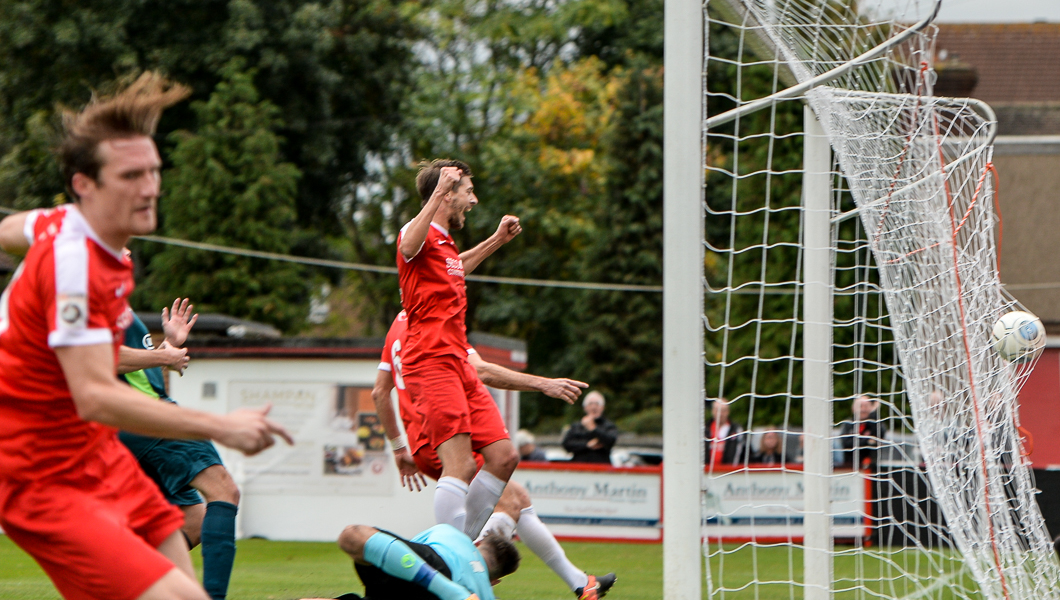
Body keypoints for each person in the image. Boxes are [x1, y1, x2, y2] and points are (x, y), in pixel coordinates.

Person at [0, 73, 291, 600]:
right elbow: (94, 395)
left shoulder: (65, 226)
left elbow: (7, 231)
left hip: (95, 456)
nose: (151, 186)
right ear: (85, 185)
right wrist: (220, 426)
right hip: (38, 474)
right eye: (131, 175)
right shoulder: (74, 261)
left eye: (153, 170)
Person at [373, 311, 615, 600]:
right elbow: (482, 371)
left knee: (519, 499)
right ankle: (456, 565)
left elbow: (379, 392)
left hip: (425, 440)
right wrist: (543, 384)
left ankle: (581, 583)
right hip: (446, 438)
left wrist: (399, 447)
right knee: (509, 501)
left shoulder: (398, 325)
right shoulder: (435, 319)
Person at [395, 159, 523, 539]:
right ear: (448, 194)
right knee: (462, 466)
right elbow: (406, 245)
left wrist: (497, 239)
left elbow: (456, 267)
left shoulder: (444, 244)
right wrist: (437, 192)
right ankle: (451, 559)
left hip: (457, 362)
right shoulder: (417, 232)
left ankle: (459, 548)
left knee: (504, 457)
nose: (474, 199)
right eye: (467, 191)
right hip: (431, 361)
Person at [116, 301, 241, 600]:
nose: (128, 251)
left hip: (133, 423)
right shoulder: (94, 292)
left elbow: (134, 370)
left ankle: (124, 585)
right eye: (126, 249)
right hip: (146, 417)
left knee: (194, 519)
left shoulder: (115, 297)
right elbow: (99, 357)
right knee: (224, 491)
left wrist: (169, 344)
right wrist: (163, 354)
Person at [332, 523, 520, 600]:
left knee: (352, 536)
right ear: (494, 582)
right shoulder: (485, 593)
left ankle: (450, 591)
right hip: (448, 588)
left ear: (476, 544)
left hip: (434, 563)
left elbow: (401, 554)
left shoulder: (450, 534)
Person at [561, 392, 618, 464]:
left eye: (597, 404)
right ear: (585, 408)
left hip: (602, 467)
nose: (593, 407)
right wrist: (587, 445)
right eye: (590, 404)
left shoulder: (608, 426)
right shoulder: (576, 426)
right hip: (579, 466)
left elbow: (611, 440)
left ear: (602, 407)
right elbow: (567, 444)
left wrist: (593, 429)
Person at [839, 395, 882, 469]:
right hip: (849, 466)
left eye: (866, 406)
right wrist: (867, 441)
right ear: (853, 409)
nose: (863, 409)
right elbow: (846, 443)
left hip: (871, 468)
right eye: (860, 406)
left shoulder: (875, 425)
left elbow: (878, 439)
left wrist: (873, 414)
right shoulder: (848, 424)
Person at [705, 398, 746, 466]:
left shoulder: (736, 430)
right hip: (706, 470)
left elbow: (739, 452)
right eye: (717, 410)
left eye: (723, 411)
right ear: (712, 411)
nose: (720, 414)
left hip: (727, 471)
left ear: (728, 412)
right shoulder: (705, 429)